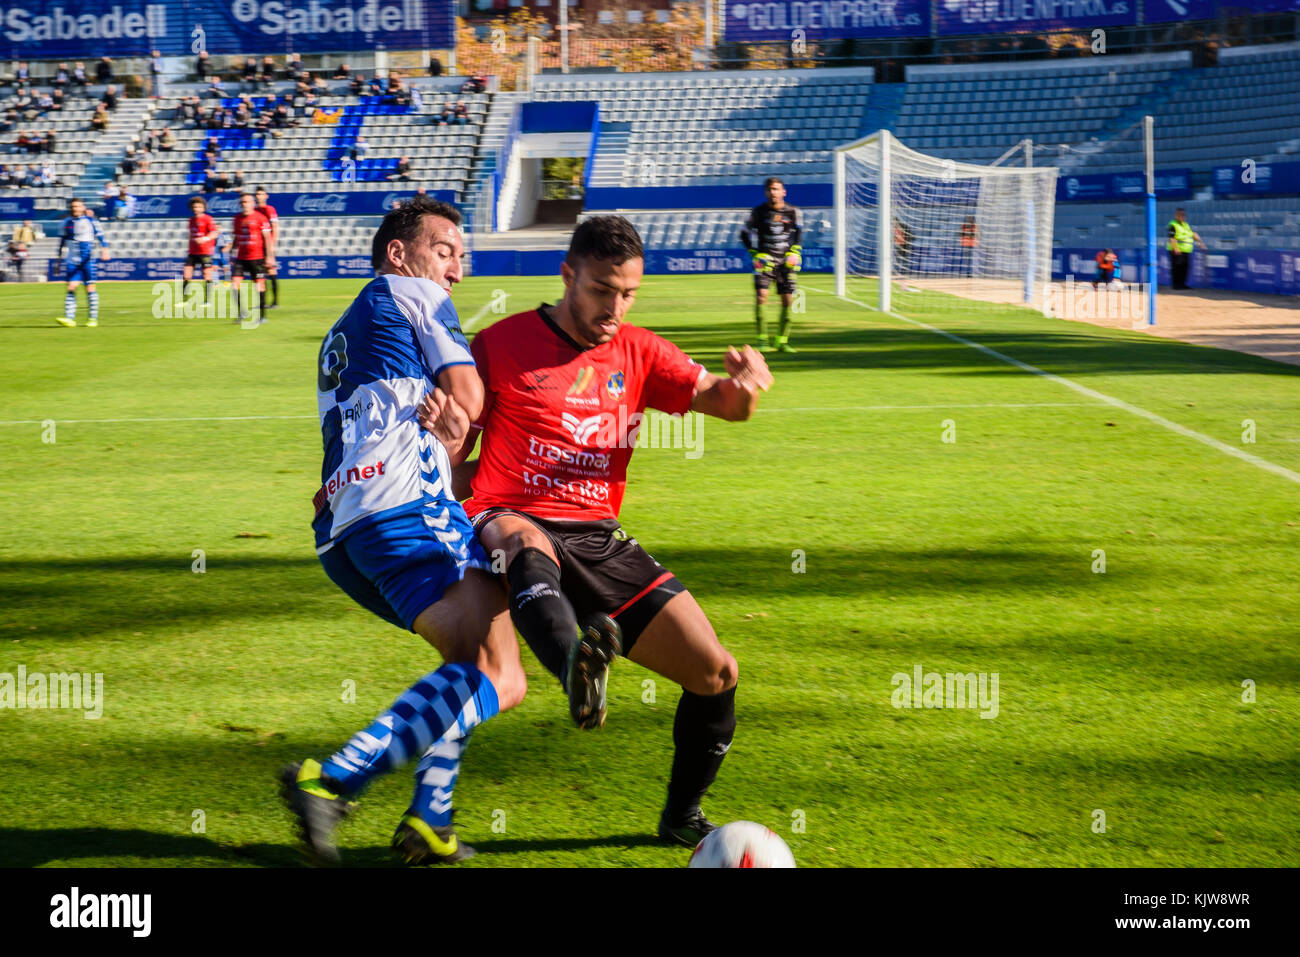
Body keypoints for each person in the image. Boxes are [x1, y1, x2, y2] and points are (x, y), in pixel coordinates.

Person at [421, 215, 774, 847]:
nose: (615, 307)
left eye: (629, 294)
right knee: (523, 545)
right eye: (602, 290)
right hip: (507, 514)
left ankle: (680, 818)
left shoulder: (640, 350)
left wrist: (748, 387)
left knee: (716, 672)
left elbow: (728, 404)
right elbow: (449, 467)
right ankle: (575, 670)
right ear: (568, 275)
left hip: (598, 537)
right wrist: (448, 455)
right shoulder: (499, 346)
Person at [279, 196, 527, 866]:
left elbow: (414, 436)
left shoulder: (346, 326)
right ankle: (330, 779)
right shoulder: (410, 291)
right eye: (445, 249)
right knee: (501, 675)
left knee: (467, 668)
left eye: (462, 256)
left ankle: (428, 816)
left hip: (344, 531)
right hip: (403, 510)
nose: (457, 269)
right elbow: (469, 400)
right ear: (400, 251)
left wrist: (450, 446)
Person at [740, 177, 802, 353]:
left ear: (783, 191)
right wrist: (754, 253)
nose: (773, 192)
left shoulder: (792, 211)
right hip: (765, 262)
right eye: (770, 189)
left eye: (776, 189)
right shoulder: (758, 212)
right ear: (766, 192)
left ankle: (782, 341)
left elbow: (798, 232)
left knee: (788, 300)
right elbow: (744, 234)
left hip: (785, 262)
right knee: (761, 296)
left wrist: (795, 251)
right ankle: (762, 341)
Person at [54, 198, 109, 328]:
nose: (75, 209)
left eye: (78, 206)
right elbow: (61, 243)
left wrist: (105, 250)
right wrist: (58, 260)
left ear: (83, 207)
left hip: (87, 261)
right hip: (72, 261)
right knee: (71, 287)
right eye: (73, 206)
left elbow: (101, 237)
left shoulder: (91, 221)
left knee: (89, 288)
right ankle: (70, 318)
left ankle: (92, 318)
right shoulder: (66, 223)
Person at [230, 192, 274, 324]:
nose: (245, 204)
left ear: (253, 203)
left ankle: (262, 316)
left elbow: (267, 238)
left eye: (247, 202)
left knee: (259, 286)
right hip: (241, 258)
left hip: (257, 258)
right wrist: (232, 252)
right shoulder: (237, 218)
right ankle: (241, 313)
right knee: (234, 285)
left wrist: (269, 257)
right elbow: (237, 237)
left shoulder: (261, 218)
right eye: (243, 202)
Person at [184, 195, 221, 303]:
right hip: (192, 252)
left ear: (203, 208)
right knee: (186, 275)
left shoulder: (208, 219)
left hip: (205, 252)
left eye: (199, 207)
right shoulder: (191, 220)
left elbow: (214, 233)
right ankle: (185, 300)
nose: (196, 209)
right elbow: (191, 235)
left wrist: (205, 239)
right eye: (195, 207)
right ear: (192, 208)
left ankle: (208, 301)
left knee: (207, 275)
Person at [1167, 207, 1207, 290]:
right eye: (1180, 215)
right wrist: (1176, 248)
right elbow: (1171, 237)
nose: (1182, 216)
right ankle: (1176, 285)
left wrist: (1200, 242)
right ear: (1176, 216)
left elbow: (1192, 234)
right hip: (1177, 250)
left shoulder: (1186, 225)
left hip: (1186, 250)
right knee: (1177, 268)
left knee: (1184, 268)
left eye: (1183, 215)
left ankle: (1182, 284)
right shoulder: (1173, 225)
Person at [254, 186, 280, 308]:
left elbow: (275, 227)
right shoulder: (254, 210)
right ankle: (262, 302)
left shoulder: (270, 209)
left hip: (267, 246)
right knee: (259, 274)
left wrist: (273, 245)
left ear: (266, 196)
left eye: (261, 194)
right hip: (257, 247)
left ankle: (274, 302)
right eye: (257, 194)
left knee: (271, 271)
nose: (259, 196)